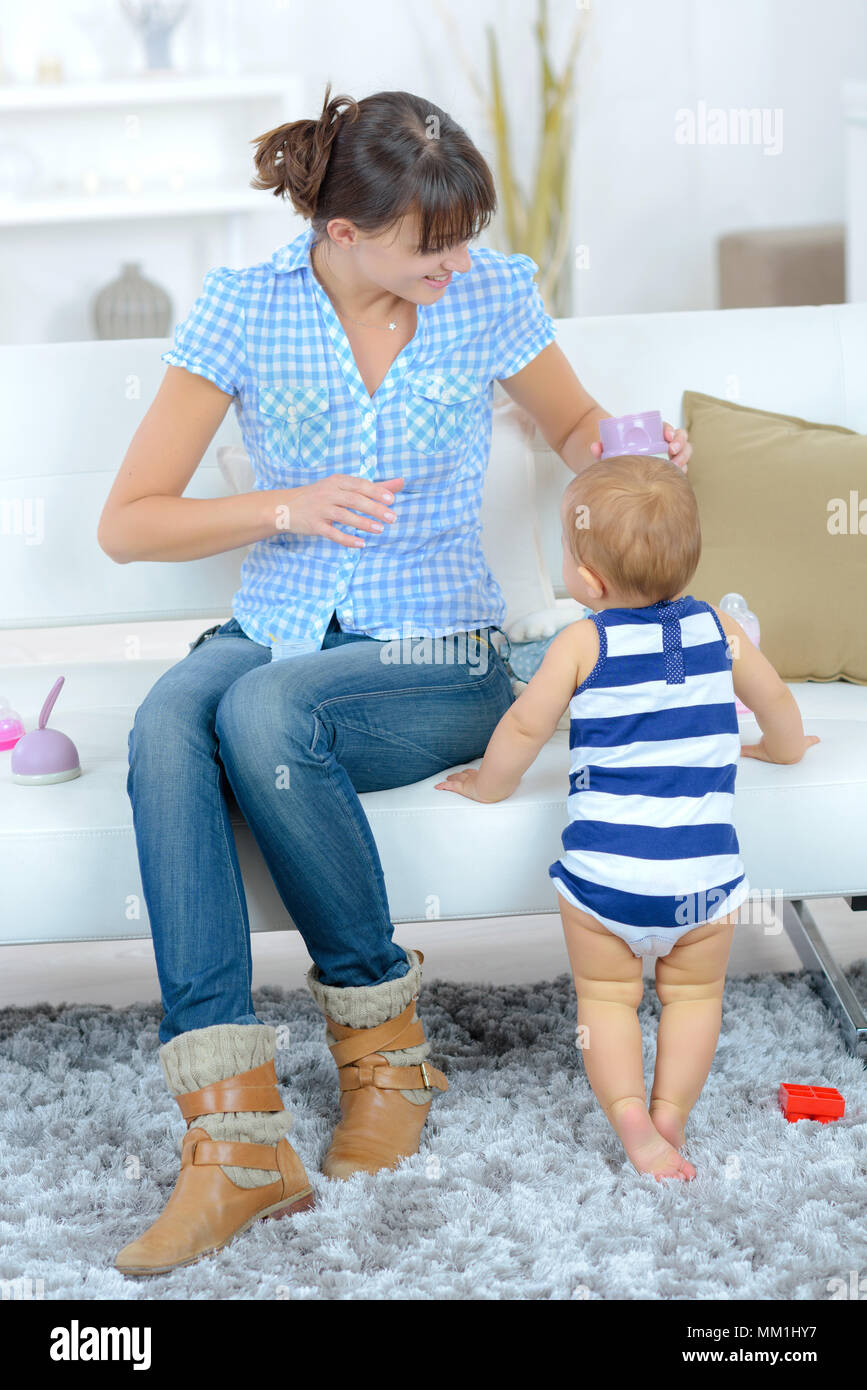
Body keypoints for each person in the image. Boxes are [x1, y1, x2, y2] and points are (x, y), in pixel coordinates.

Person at [97, 84, 693, 1276]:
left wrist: (630, 446)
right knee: (169, 725)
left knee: (266, 713)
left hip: (439, 652)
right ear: (342, 233)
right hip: (275, 619)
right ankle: (234, 1141)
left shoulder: (487, 295)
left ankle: (387, 1053)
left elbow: (576, 427)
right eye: (432, 243)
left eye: (464, 234)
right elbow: (128, 522)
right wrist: (285, 506)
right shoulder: (247, 309)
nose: (455, 260)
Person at [437, 454, 819, 1180]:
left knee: (606, 1001)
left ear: (586, 580)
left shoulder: (583, 641)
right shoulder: (718, 629)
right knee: (693, 997)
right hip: (702, 880)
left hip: (604, 878)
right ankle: (670, 1113)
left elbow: (523, 728)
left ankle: (630, 1121)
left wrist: (489, 786)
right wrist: (782, 751)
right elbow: (774, 703)